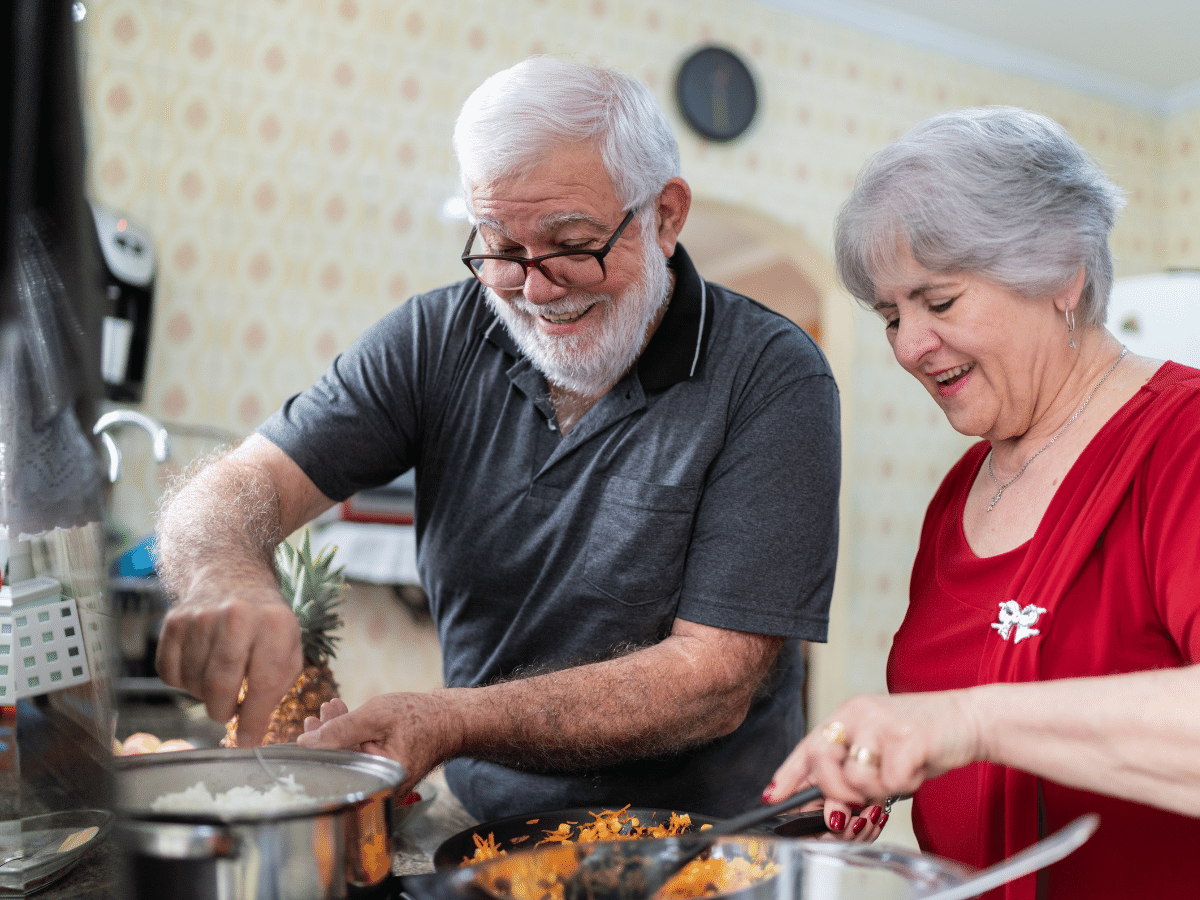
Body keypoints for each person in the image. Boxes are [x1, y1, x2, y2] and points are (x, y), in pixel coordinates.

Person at [154, 56, 841, 822]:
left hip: (708, 849)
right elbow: (233, 486)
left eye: (572, 243)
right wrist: (224, 574)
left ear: (666, 216)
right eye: (501, 250)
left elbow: (711, 682)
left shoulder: (773, 376)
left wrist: (450, 721)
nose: (537, 290)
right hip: (485, 836)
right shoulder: (436, 337)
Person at [763, 105, 1200, 897]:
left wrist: (964, 722)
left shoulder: (1184, 442)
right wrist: (889, 769)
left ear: (1063, 270)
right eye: (892, 315)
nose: (906, 346)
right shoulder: (960, 492)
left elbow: (974, 717)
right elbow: (957, 735)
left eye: (939, 302)